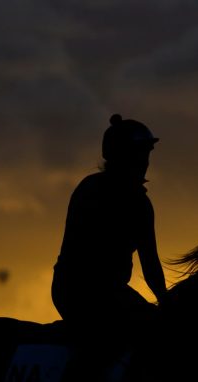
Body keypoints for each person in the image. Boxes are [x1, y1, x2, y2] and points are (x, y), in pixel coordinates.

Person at [51, 113, 168, 348]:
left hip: (106, 292)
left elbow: (150, 264)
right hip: (80, 291)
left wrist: (166, 305)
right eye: (139, 154)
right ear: (121, 155)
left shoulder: (134, 200)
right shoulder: (99, 192)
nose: (145, 162)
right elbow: (148, 265)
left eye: (146, 154)